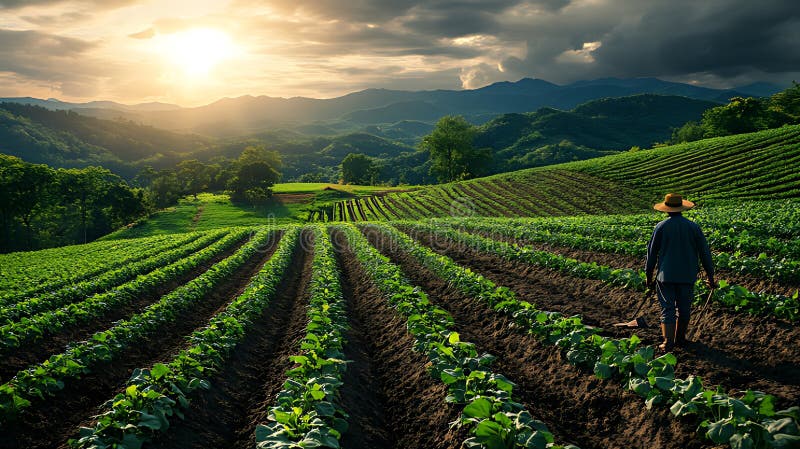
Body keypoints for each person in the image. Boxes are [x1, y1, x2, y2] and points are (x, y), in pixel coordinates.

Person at [645, 193, 716, 352]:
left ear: (667, 209)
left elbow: (651, 254)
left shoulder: (661, 227)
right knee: (684, 308)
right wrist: (710, 276)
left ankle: (668, 342)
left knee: (668, 308)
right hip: (687, 275)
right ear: (681, 208)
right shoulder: (693, 227)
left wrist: (648, 276)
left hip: (666, 276)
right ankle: (681, 339)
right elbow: (705, 253)